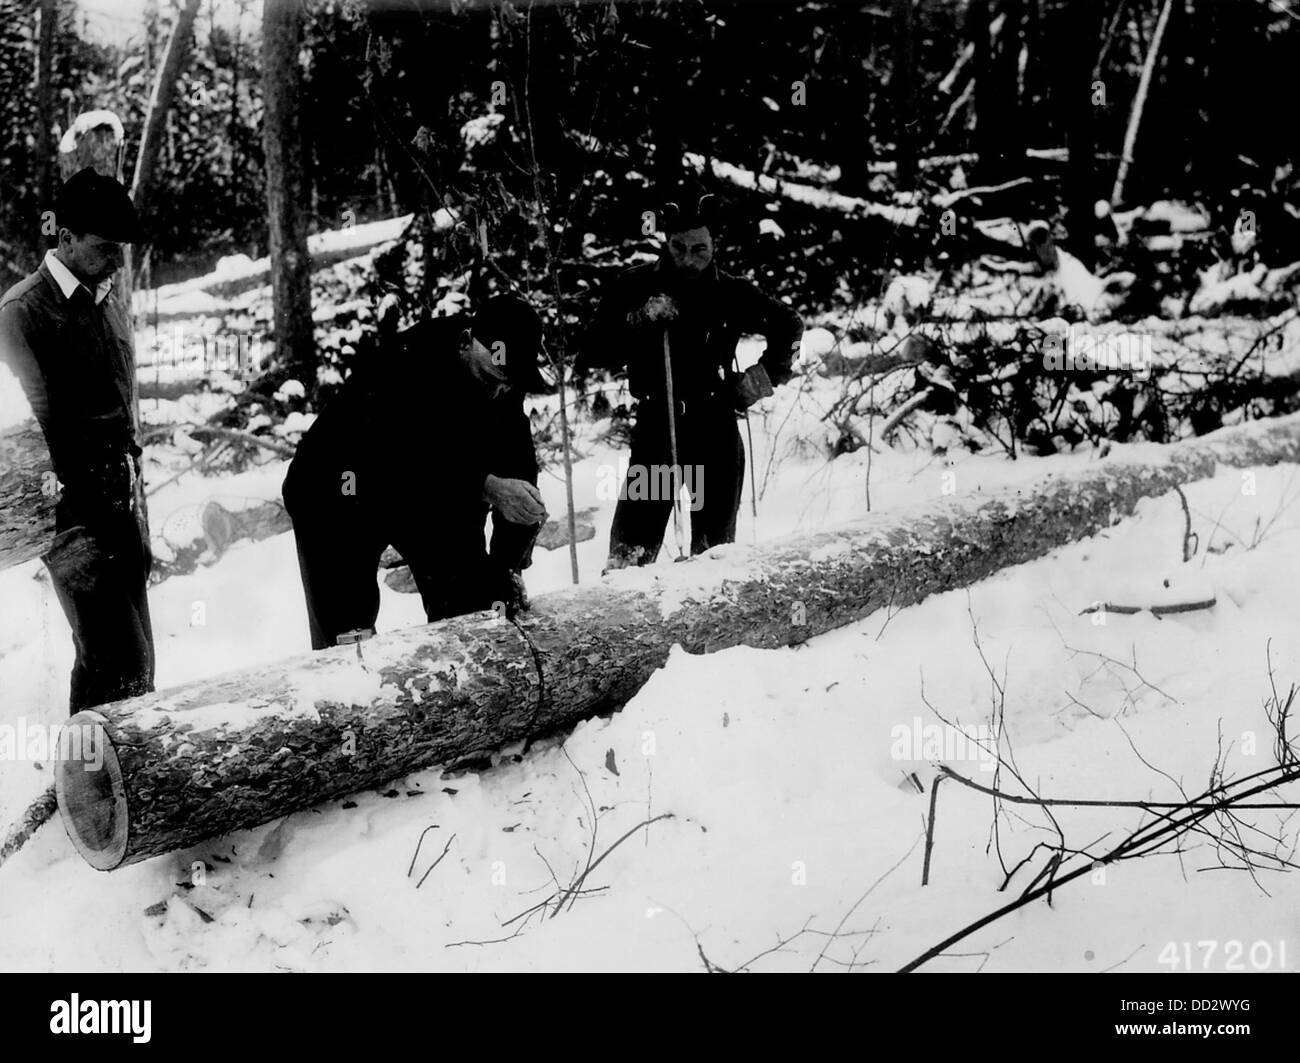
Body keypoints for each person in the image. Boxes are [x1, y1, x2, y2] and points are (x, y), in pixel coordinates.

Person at [282, 294, 552, 650]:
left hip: (430, 491)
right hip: (337, 486)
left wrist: (506, 566)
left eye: (509, 384)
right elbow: (399, 456)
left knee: (473, 607)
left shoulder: (501, 376)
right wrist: (486, 486)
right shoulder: (409, 361)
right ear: (464, 343)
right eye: (492, 378)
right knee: (347, 639)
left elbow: (517, 467)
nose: (499, 391)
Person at [576, 194, 803, 567]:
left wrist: (760, 380)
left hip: (715, 430)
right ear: (666, 242)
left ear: (715, 245)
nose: (688, 259)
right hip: (658, 432)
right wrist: (639, 320)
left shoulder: (732, 292)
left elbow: (789, 325)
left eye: (700, 249)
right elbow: (592, 352)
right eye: (679, 248)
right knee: (628, 560)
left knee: (714, 558)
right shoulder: (635, 286)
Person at [0, 168, 154, 712]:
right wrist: (63, 525)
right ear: (64, 238)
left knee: (123, 663)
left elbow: (119, 401)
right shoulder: (21, 314)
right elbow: (23, 439)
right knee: (122, 661)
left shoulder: (107, 298)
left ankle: (88, 783)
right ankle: (109, 784)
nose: (117, 260)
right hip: (69, 518)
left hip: (120, 503)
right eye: (106, 247)